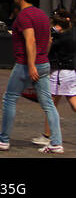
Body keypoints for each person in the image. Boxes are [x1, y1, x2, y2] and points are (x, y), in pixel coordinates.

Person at [0, 0, 62, 152]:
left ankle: (3, 139)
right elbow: (48, 40)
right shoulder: (42, 15)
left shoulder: (24, 16)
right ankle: (56, 143)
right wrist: (42, 58)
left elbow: (30, 40)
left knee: (10, 98)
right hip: (43, 62)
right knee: (48, 103)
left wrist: (32, 64)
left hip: (26, 64)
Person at [31, 9, 76, 147]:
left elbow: (46, 51)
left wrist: (50, 39)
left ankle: (47, 135)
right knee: (71, 101)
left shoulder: (60, 38)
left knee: (51, 105)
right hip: (71, 72)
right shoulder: (72, 34)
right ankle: (47, 134)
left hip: (59, 73)